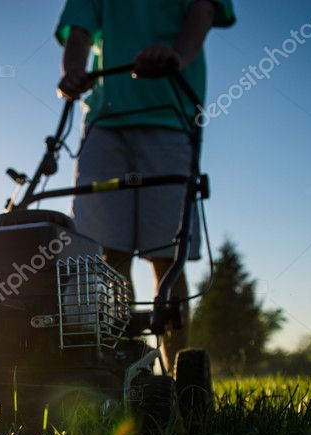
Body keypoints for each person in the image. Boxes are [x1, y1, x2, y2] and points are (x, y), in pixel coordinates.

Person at [55, 0, 235, 372]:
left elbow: (202, 12)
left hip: (169, 114)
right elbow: (79, 29)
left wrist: (175, 56)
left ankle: (173, 373)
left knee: (167, 256)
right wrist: (74, 70)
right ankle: (126, 370)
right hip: (106, 122)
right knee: (108, 256)